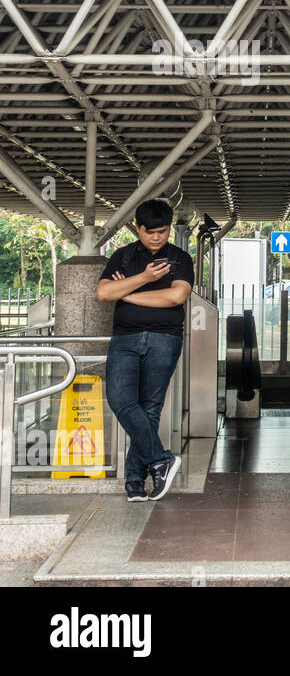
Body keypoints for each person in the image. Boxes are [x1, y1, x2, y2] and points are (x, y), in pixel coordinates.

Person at [96, 199, 193, 502]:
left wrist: (127, 293)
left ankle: (136, 480)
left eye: (162, 232)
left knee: (150, 409)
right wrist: (146, 279)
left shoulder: (180, 258)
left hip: (165, 338)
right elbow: (103, 293)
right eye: (150, 231)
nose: (156, 237)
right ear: (137, 229)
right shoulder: (122, 257)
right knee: (121, 399)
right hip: (125, 338)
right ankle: (161, 460)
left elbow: (176, 297)